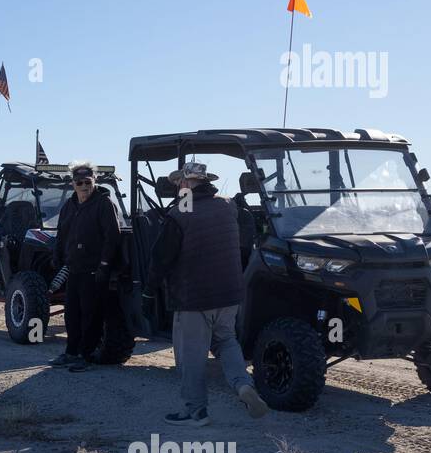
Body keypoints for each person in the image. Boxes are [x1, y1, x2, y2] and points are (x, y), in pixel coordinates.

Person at [149, 161, 269, 426]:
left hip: (194, 296)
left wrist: (150, 287)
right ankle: (242, 385)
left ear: (186, 183)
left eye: (179, 182)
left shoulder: (181, 210)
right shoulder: (227, 205)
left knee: (191, 356)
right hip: (229, 293)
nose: (177, 187)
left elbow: (161, 256)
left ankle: (196, 411)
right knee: (226, 341)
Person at [49, 162, 123, 371]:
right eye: (79, 182)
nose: (84, 186)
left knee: (91, 315)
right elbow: (61, 236)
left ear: (94, 181)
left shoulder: (104, 204)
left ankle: (87, 356)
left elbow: (112, 237)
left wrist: (104, 265)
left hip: (94, 271)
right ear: (73, 183)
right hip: (74, 269)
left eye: (87, 182)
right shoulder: (69, 206)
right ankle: (71, 352)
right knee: (72, 314)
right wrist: (57, 256)